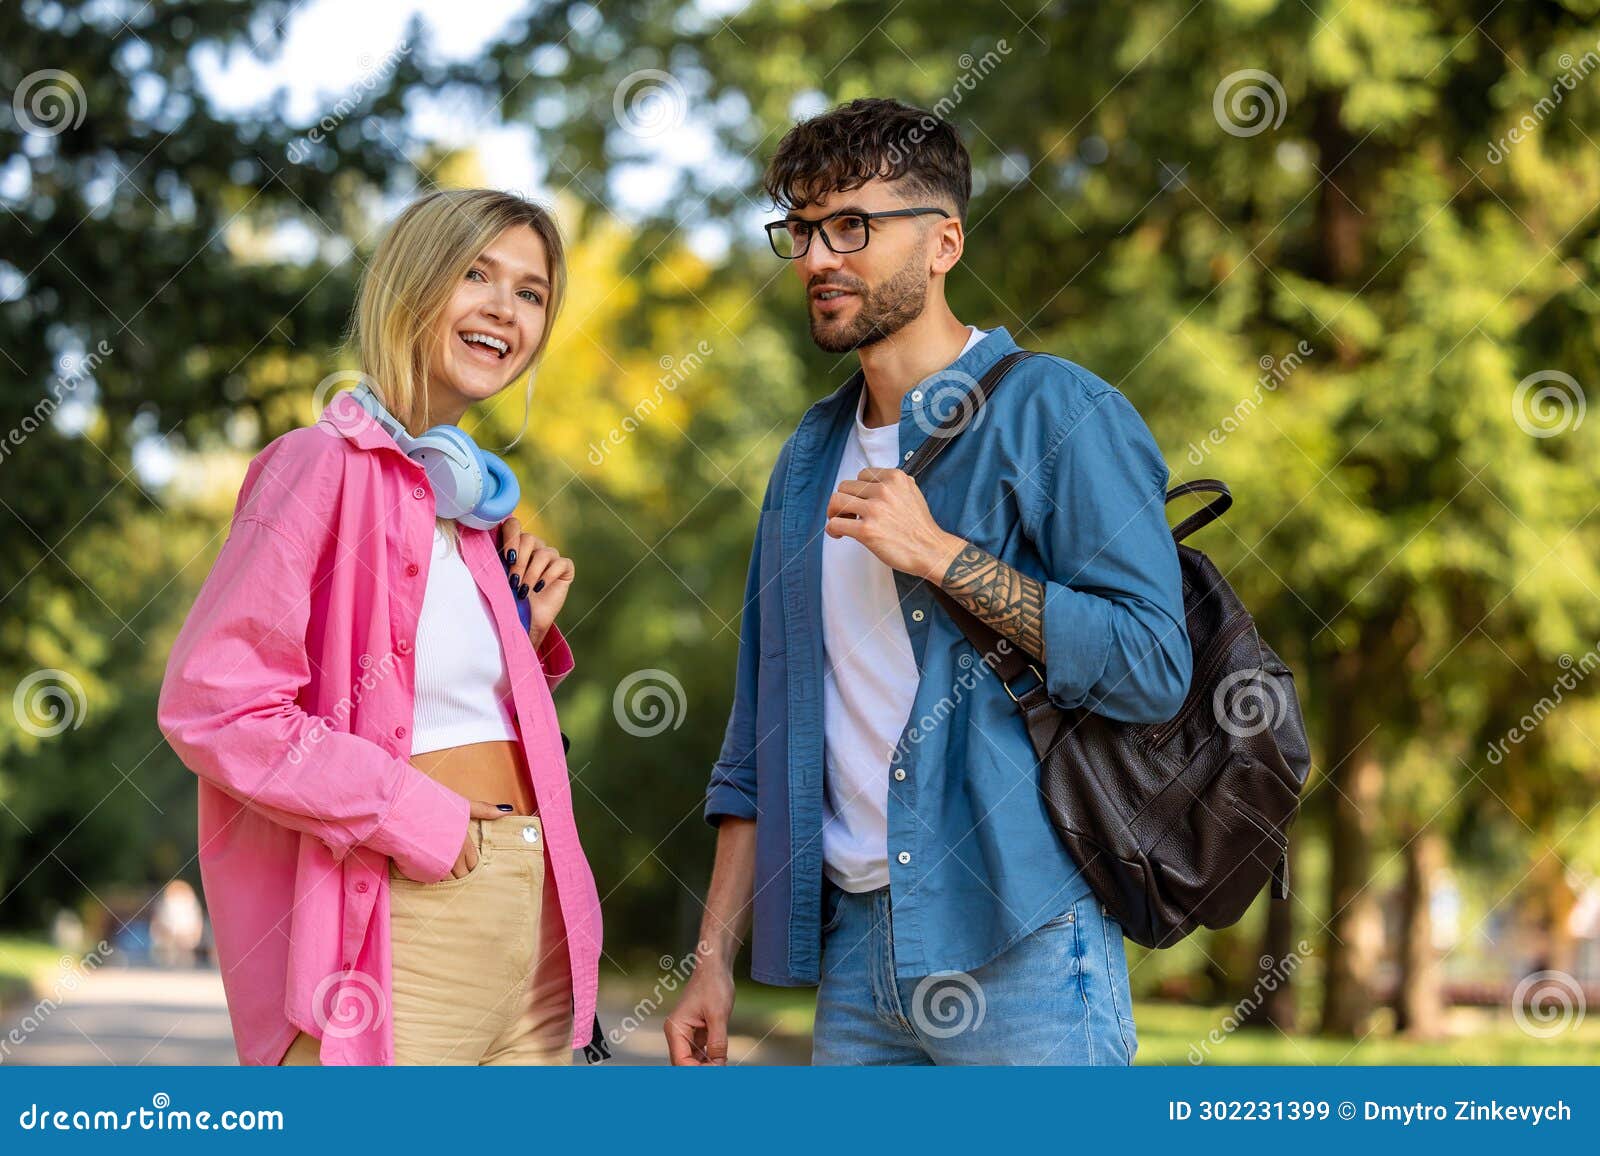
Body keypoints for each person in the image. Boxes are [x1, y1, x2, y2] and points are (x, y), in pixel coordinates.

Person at [664, 98, 1191, 1065]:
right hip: (858, 954)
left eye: (852, 227)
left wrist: (945, 556)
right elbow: (762, 724)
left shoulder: (1059, 410)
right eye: (803, 229)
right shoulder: (805, 458)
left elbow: (1153, 664)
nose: (819, 257)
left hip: (1024, 937)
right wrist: (711, 955)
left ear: (943, 241)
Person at [157, 188, 603, 1066]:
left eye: (530, 292)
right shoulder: (317, 466)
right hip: (408, 901)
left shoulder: (472, 512)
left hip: (536, 901)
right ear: (413, 287)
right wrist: (412, 815)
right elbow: (215, 705)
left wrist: (527, 638)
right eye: (476, 274)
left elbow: (415, 702)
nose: (503, 309)